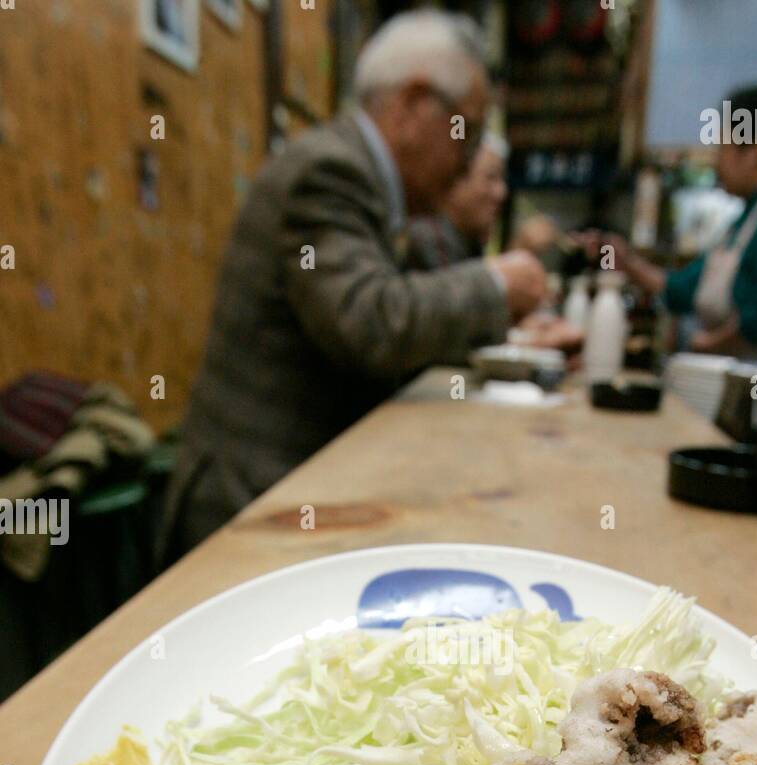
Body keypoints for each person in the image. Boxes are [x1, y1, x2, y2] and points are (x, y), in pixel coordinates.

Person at [162, 10, 546, 558]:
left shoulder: (360, 175)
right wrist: (495, 285)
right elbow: (369, 321)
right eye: (469, 131)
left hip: (289, 489)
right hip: (247, 501)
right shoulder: (330, 170)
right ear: (415, 105)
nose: (467, 162)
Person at [608, 85, 757, 356]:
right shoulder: (750, 217)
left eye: (722, 146)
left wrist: (700, 346)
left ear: (755, 150)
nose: (716, 159)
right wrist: (626, 262)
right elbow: (685, 289)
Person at [409, 132, 510, 270]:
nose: (501, 192)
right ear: (455, 179)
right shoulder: (432, 239)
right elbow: (452, 289)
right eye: (490, 178)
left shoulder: (467, 236)